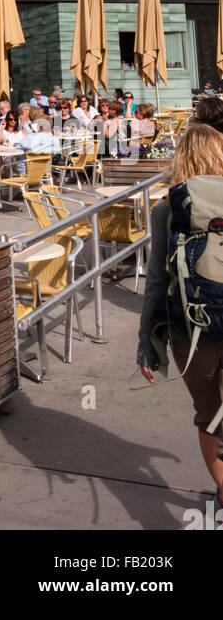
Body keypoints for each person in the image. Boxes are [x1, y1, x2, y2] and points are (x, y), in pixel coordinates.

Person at [138, 123, 223, 511]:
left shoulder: (167, 207)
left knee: (209, 417)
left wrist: (147, 346)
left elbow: (156, 279)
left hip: (191, 328)